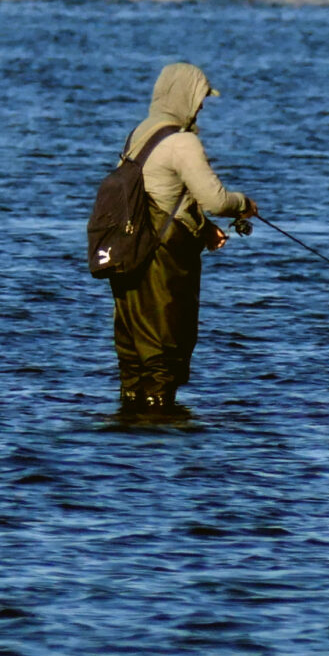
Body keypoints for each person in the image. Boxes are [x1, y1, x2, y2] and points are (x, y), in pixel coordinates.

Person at [111, 62, 256, 418]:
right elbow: (216, 198)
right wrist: (245, 204)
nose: (202, 106)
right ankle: (161, 436)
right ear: (184, 96)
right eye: (200, 97)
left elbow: (159, 193)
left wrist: (203, 228)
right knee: (166, 344)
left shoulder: (139, 133)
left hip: (129, 253)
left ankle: (129, 426)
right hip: (163, 259)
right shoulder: (182, 142)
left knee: (134, 348)